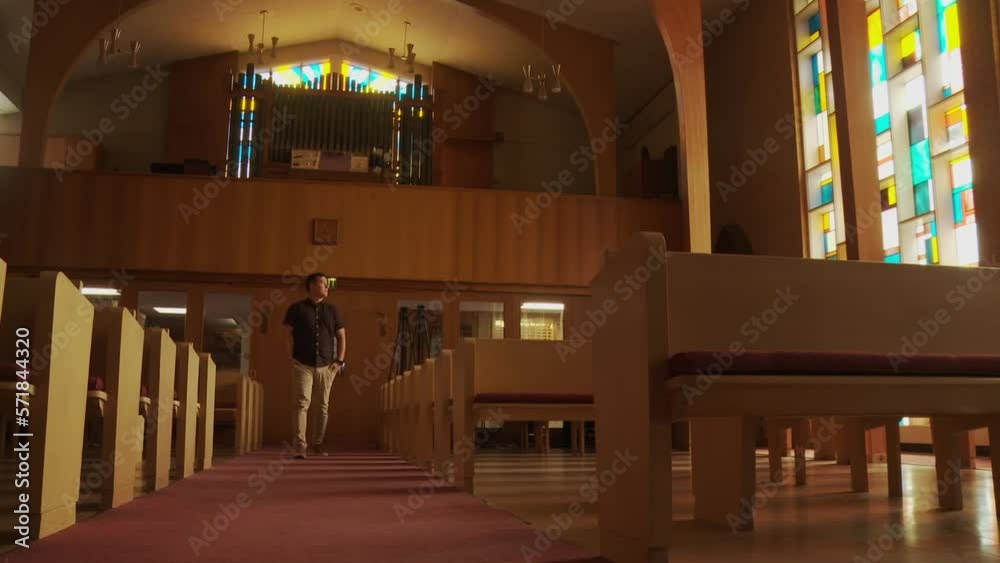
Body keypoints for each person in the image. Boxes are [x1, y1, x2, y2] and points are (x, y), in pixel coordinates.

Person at [283, 272, 346, 458]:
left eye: (327, 284)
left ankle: (317, 443)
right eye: (323, 283)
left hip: (327, 366)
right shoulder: (296, 308)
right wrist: (290, 358)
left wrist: (339, 361)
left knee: (322, 406)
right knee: (302, 403)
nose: (327, 287)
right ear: (311, 286)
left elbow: (341, 337)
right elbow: (286, 334)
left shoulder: (332, 310)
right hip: (302, 364)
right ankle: (300, 445)